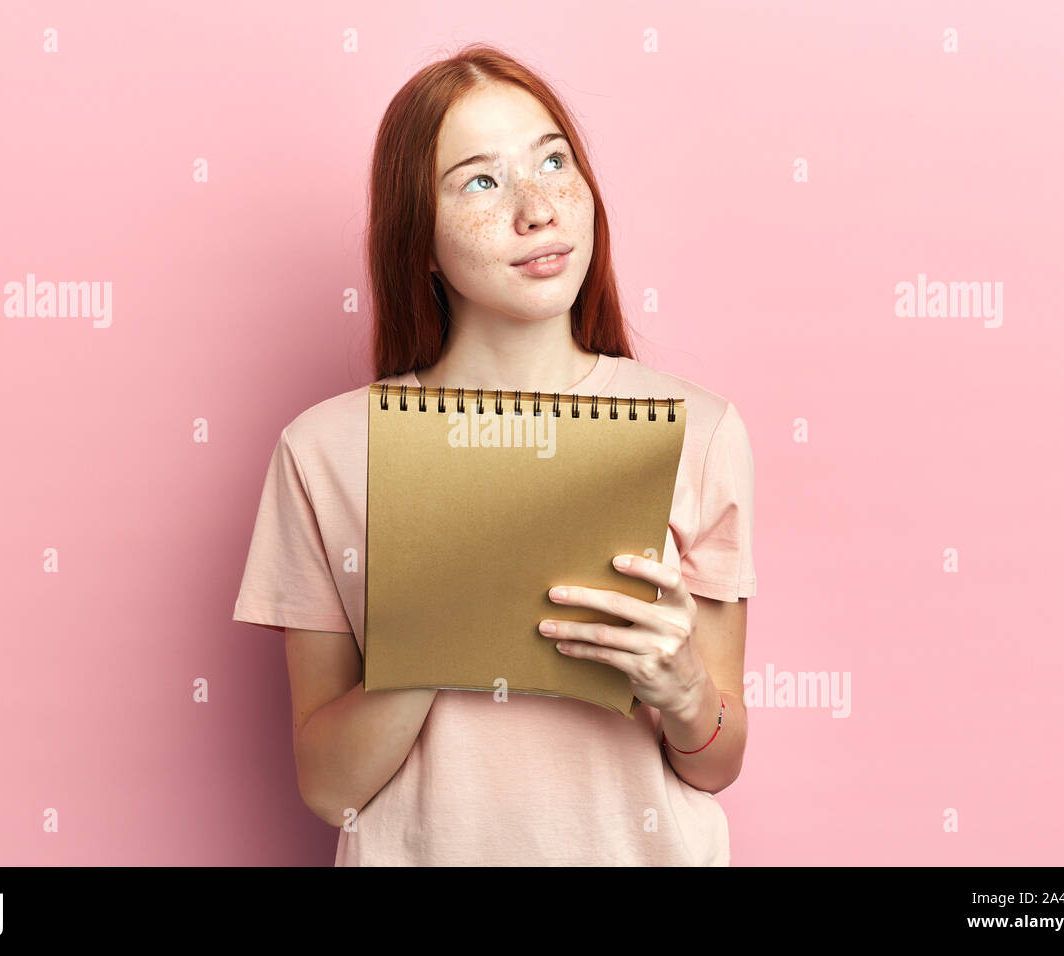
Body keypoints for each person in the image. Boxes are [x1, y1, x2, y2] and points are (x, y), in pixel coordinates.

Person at [232, 43, 757, 866]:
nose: (538, 209)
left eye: (554, 162)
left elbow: (718, 763)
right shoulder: (323, 452)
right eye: (481, 180)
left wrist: (687, 691)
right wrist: (440, 631)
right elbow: (328, 789)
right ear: (421, 241)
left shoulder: (699, 429)